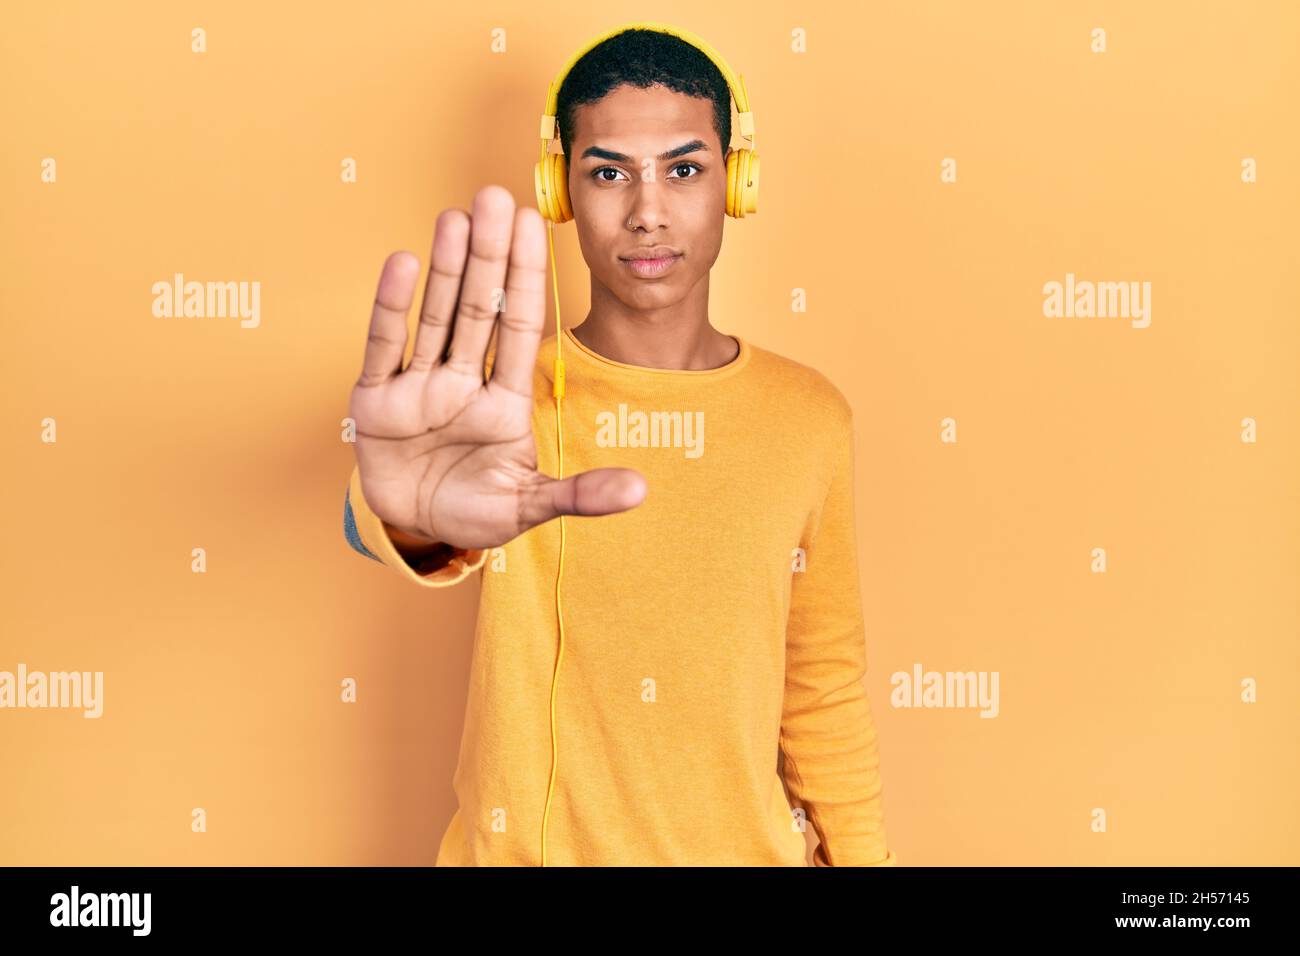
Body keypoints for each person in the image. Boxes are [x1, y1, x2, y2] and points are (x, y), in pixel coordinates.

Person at [341, 25, 897, 867]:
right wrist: (409, 519)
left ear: (735, 181)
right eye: (608, 173)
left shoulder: (810, 416)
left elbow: (822, 683)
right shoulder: (495, 403)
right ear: (559, 190)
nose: (648, 212)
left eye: (684, 169)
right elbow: (373, 523)